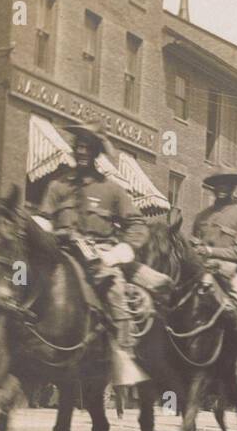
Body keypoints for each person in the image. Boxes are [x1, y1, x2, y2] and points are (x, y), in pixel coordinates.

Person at [36, 120, 155, 385]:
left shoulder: (111, 190)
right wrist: (44, 232)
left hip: (98, 255)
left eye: (87, 147)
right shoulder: (58, 186)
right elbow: (44, 219)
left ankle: (123, 355)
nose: (81, 151)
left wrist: (118, 252)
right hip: (60, 250)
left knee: (115, 290)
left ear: (95, 153)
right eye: (78, 145)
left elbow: (137, 225)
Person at [190, 172, 237, 388]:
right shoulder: (201, 216)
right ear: (212, 188)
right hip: (202, 270)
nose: (221, 188)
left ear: (233, 188)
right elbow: (193, 243)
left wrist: (209, 251)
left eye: (227, 185)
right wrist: (195, 249)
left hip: (230, 274)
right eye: (217, 184)